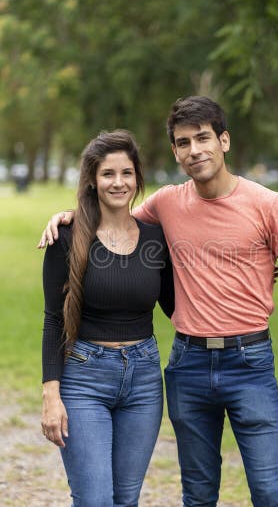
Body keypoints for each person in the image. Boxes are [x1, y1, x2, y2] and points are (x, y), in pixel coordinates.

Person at [39, 96, 278, 507]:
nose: (195, 150)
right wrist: (67, 217)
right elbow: (112, 216)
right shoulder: (166, 204)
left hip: (250, 363)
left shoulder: (268, 204)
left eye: (204, 138)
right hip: (188, 366)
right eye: (183, 142)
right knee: (196, 496)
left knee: (269, 491)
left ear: (224, 141)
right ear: (175, 151)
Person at [40, 130, 174, 506]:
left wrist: (250, 272)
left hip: (144, 381)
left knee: (125, 499)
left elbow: (180, 306)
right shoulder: (66, 238)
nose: (119, 182)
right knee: (94, 499)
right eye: (108, 174)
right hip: (84, 378)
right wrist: (51, 394)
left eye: (127, 173)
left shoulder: (154, 239)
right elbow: (53, 320)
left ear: (138, 178)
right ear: (92, 181)